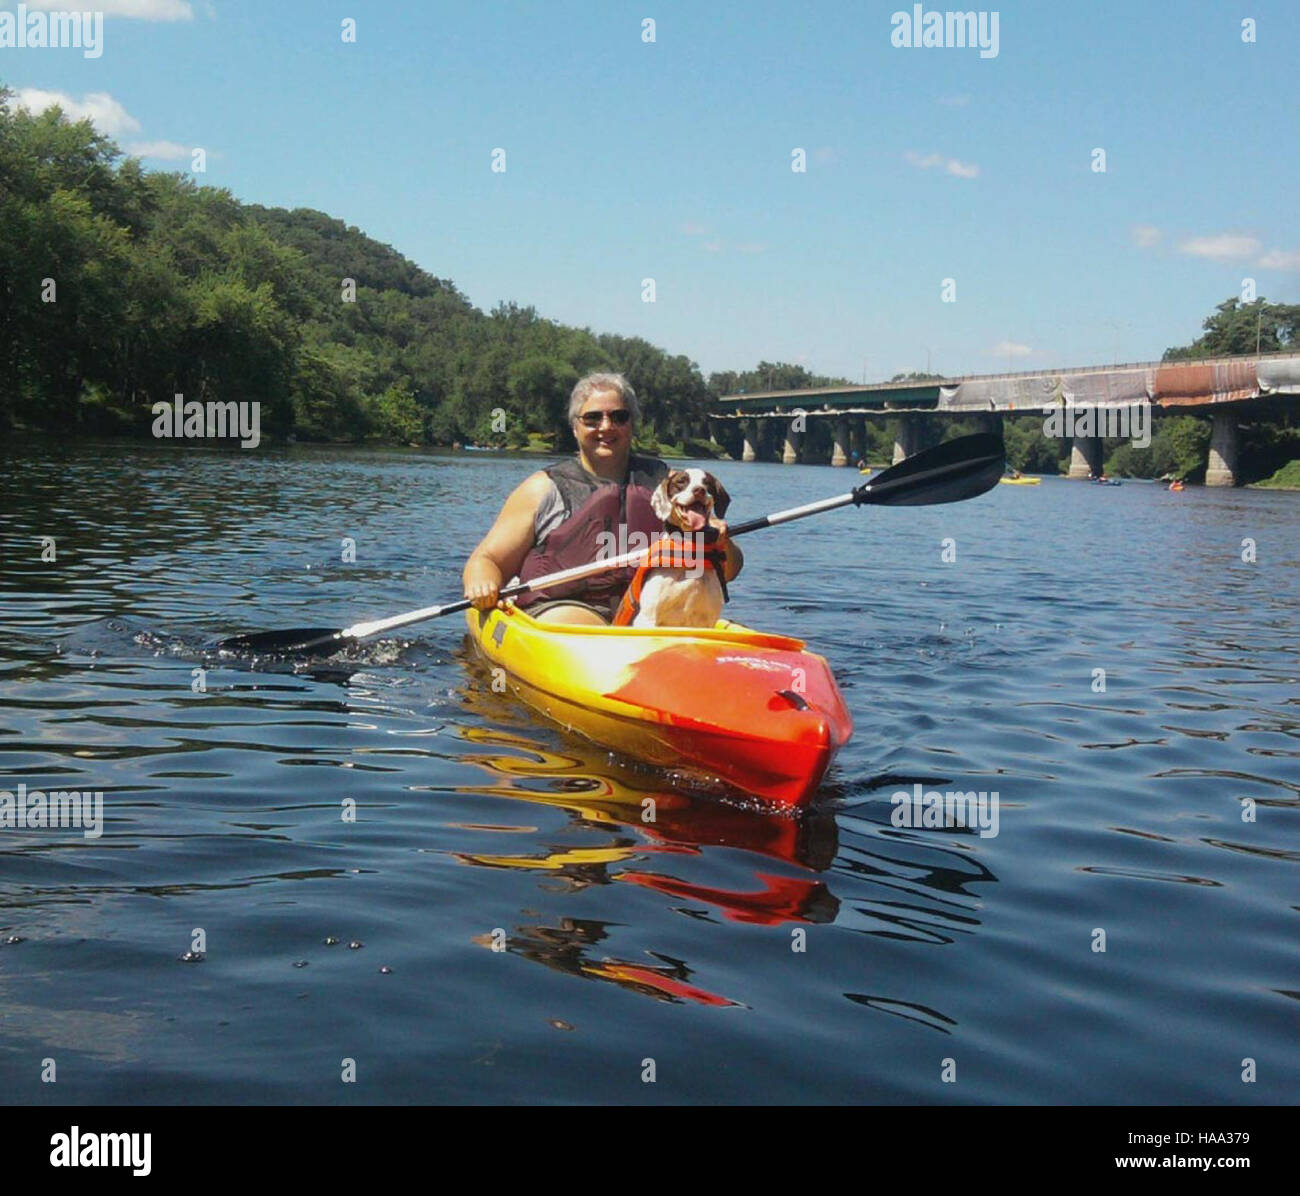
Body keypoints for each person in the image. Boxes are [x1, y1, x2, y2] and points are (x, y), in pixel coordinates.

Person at [463, 372, 742, 625]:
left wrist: (719, 540)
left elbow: (729, 570)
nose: (606, 427)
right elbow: (488, 559)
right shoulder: (542, 489)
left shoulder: (670, 486)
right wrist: (483, 584)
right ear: (575, 427)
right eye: (592, 418)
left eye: (619, 417)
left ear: (631, 425)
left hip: (648, 607)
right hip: (570, 609)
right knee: (579, 623)